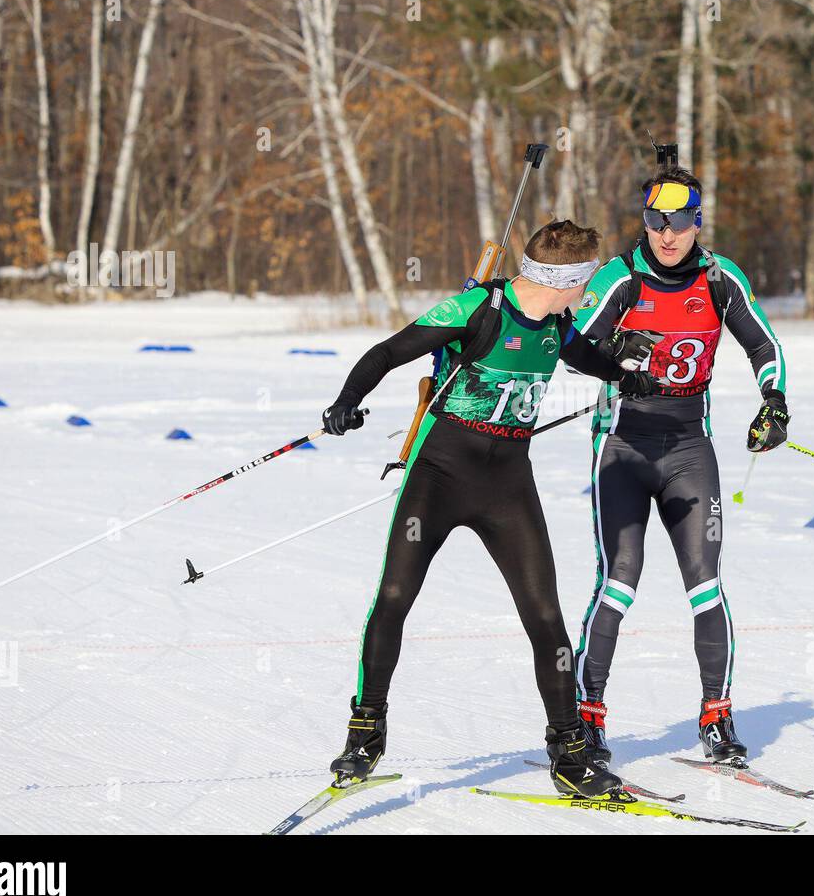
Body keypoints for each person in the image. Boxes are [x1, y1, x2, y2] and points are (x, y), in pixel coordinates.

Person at [319, 220, 657, 798]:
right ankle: (365, 733)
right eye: (588, 277)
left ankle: (570, 753)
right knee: (395, 598)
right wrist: (348, 402)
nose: (591, 288)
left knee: (544, 617)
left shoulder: (559, 321)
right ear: (569, 278)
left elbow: (589, 359)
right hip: (439, 474)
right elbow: (388, 351)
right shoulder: (478, 308)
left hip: (508, 486)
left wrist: (624, 367)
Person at [570, 166, 790, 766]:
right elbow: (572, 345)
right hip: (622, 446)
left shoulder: (720, 279)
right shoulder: (620, 278)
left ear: (698, 221)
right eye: (654, 221)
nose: (667, 235)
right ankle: (586, 717)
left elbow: (764, 345)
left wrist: (774, 402)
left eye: (680, 222)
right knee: (620, 579)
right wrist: (616, 354)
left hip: (689, 447)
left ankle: (716, 715)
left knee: (706, 582)